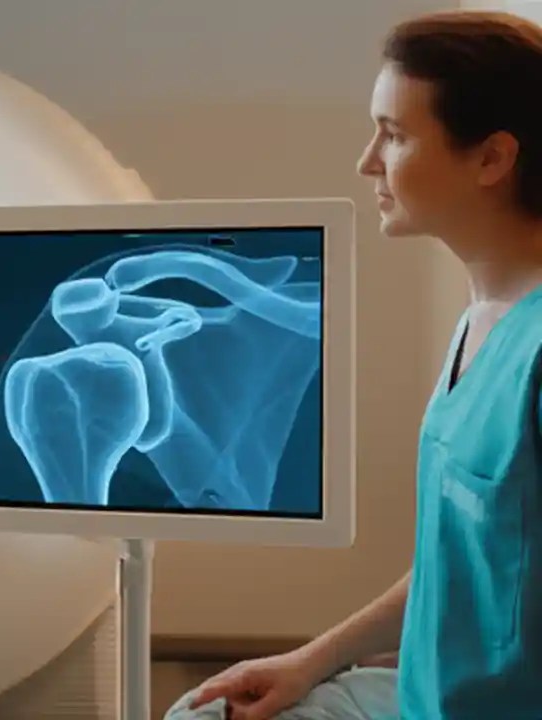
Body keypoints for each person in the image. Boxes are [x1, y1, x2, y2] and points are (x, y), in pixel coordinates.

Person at [166, 9, 542, 720]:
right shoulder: (478, 324)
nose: (367, 160)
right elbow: (458, 561)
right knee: (201, 712)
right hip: (419, 691)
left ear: (492, 158)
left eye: (394, 135)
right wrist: (310, 660)